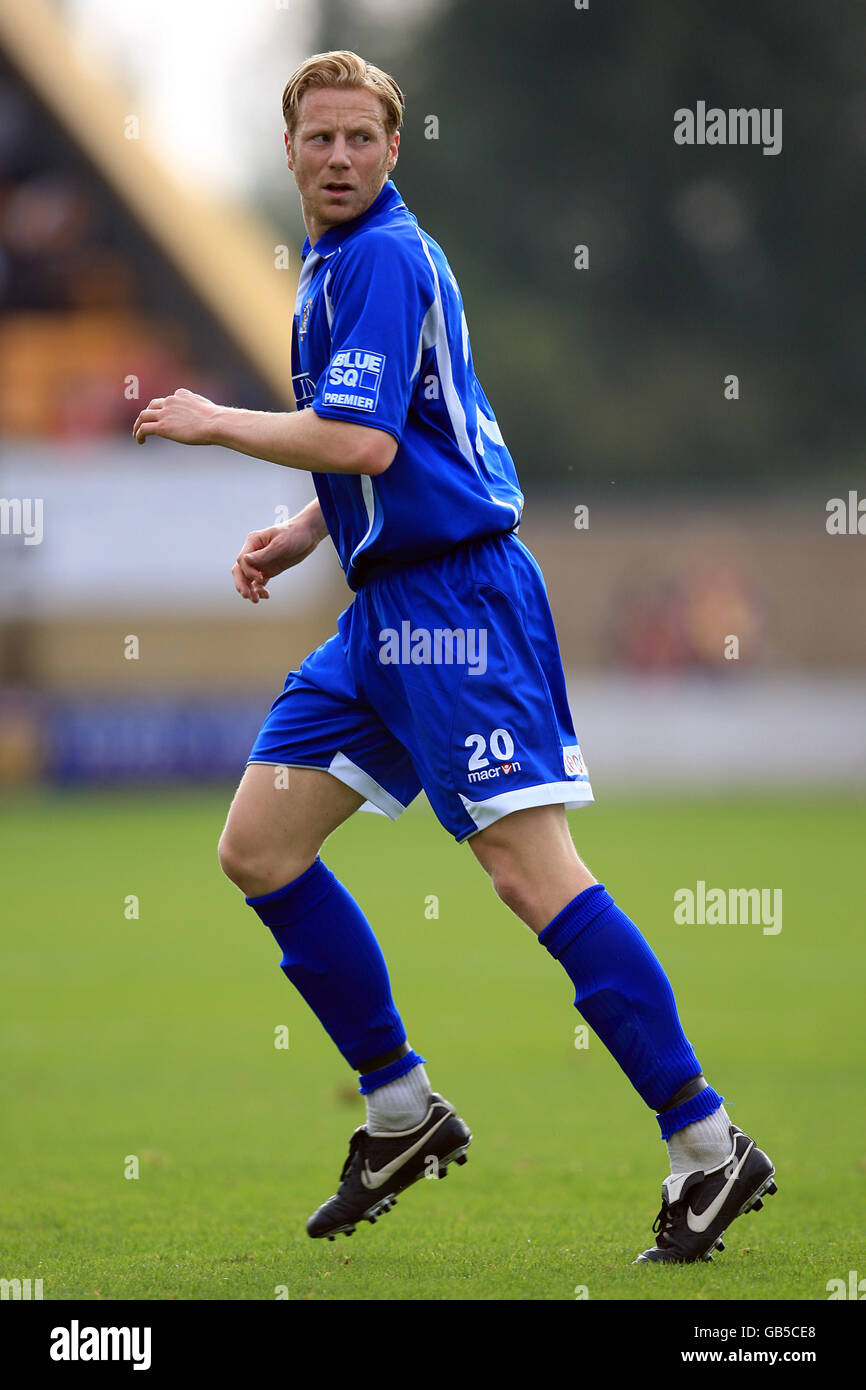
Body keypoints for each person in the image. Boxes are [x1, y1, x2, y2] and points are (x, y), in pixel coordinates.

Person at [132, 50, 776, 1263]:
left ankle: (706, 1145)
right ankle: (398, 1107)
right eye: (315, 139)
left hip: (458, 607)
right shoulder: (334, 262)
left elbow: (369, 442)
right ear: (288, 152)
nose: (335, 158)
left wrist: (219, 426)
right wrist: (307, 526)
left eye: (357, 140)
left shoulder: (376, 255)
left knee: (533, 875)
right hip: (381, 613)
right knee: (258, 845)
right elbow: (399, 439)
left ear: (391, 149)